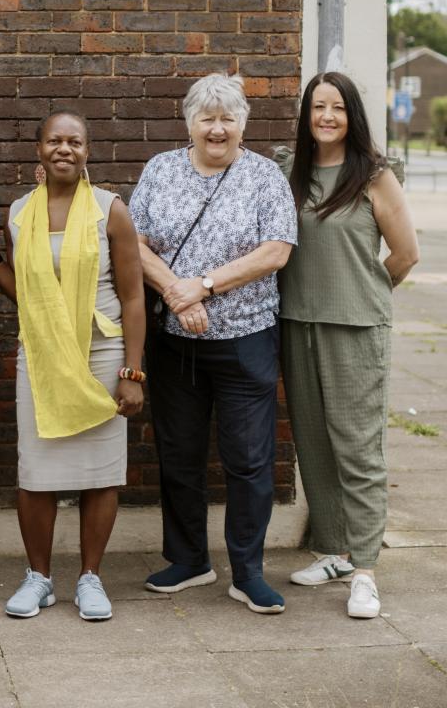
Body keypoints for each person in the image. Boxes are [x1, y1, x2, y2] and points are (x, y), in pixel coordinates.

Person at [130, 72, 297, 614]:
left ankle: (247, 572)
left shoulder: (265, 177)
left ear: (243, 124)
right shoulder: (160, 171)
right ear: (190, 123)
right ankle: (189, 559)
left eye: (228, 118)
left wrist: (201, 285)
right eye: (208, 117)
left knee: (249, 460)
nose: (218, 128)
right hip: (176, 342)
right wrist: (179, 298)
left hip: (247, 339)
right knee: (179, 454)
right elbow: (132, 242)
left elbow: (276, 251)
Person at [0, 111, 145, 622]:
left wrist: (133, 372)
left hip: (102, 353)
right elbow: (27, 297)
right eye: (55, 141)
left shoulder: (109, 210)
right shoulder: (21, 212)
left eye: (74, 141)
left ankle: (91, 578)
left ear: (87, 151)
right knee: (36, 470)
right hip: (43, 357)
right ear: (39, 149)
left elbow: (134, 297)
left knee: (101, 473)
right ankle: (39, 579)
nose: (64, 149)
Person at [276, 72, 418, 619]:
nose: (327, 117)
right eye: (318, 108)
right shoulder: (294, 171)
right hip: (296, 323)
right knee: (312, 443)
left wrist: (361, 292)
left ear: (352, 114)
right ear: (307, 116)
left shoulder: (374, 177)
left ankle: (365, 571)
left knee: (358, 450)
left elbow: (403, 256)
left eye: (337, 107)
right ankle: (334, 552)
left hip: (355, 328)